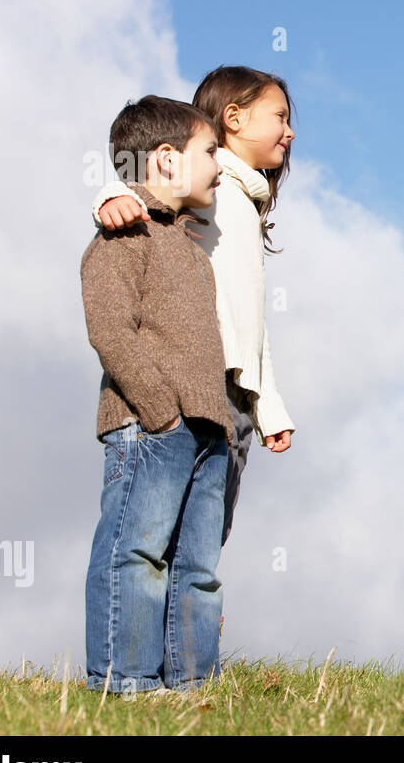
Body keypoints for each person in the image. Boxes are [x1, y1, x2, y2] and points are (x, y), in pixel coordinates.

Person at [90, 66, 296, 548]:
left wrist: (269, 406)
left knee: (201, 548)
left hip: (236, 396)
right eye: (280, 116)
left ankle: (193, 626)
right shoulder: (209, 176)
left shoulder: (242, 196)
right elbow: (140, 183)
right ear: (234, 117)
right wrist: (109, 199)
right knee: (162, 542)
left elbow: (252, 321)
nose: (290, 132)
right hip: (197, 381)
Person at [80, 95, 234, 695]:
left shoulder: (193, 249)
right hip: (151, 427)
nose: (219, 165)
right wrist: (159, 411)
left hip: (207, 428)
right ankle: (127, 683)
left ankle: (193, 688)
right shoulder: (121, 233)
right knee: (136, 556)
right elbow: (109, 329)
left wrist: (208, 419)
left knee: (197, 569)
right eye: (209, 152)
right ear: (167, 159)